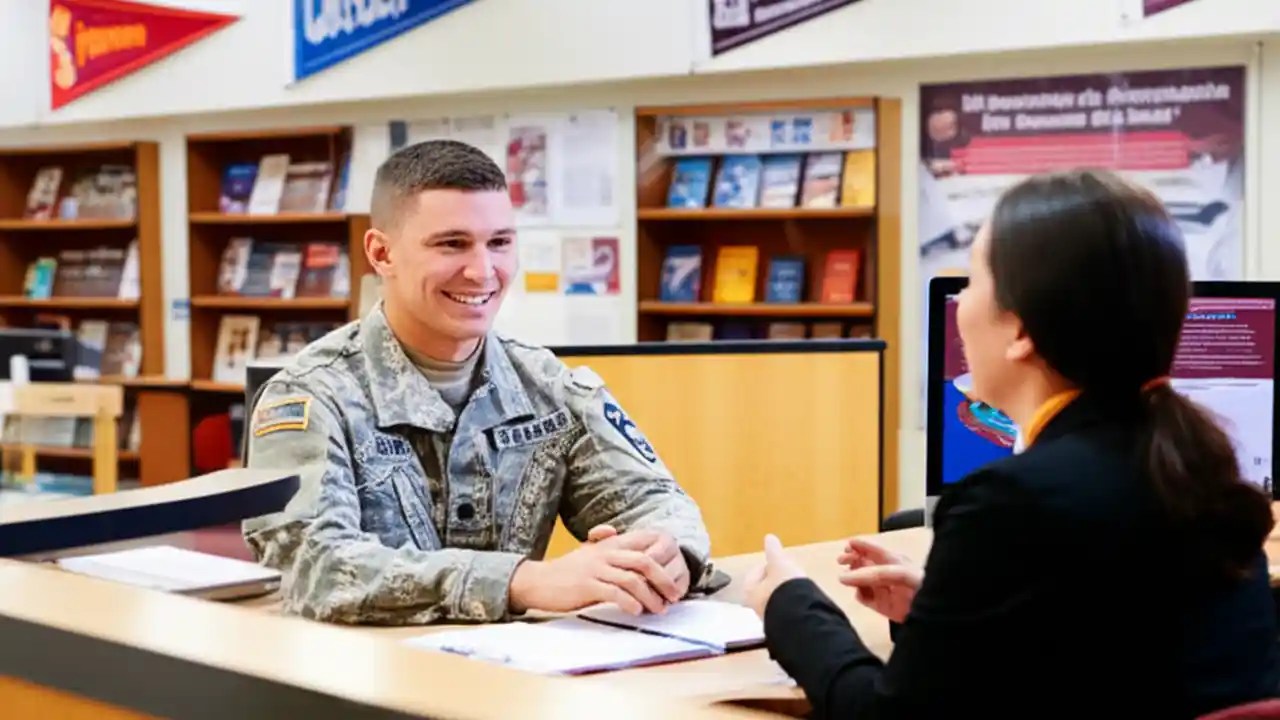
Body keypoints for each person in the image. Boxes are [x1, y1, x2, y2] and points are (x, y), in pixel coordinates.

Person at [745, 169, 1280, 718]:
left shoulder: (1010, 501)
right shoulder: (1202, 474)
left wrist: (791, 609)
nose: (961, 307)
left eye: (973, 282)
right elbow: (1106, 654)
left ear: (1021, 332)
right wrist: (948, 608)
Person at [242, 139, 713, 625]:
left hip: (514, 680)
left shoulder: (547, 387)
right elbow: (312, 567)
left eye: (500, 243)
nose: (483, 271)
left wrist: (666, 553)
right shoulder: (308, 396)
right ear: (381, 253)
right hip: (363, 682)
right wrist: (523, 582)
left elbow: (658, 502)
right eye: (452, 244)